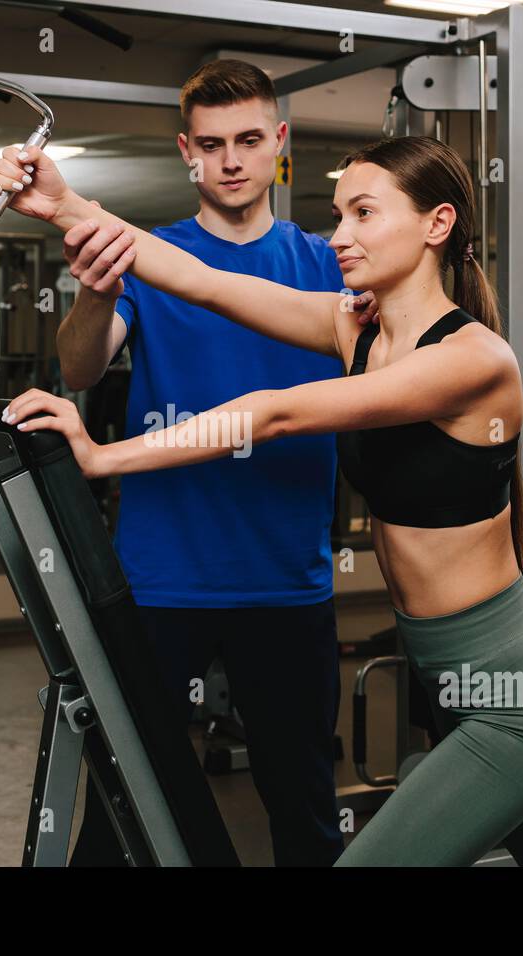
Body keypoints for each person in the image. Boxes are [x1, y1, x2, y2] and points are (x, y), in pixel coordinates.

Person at [0, 133, 523, 866]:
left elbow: (276, 412)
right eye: (339, 214)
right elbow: (201, 280)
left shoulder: (473, 358)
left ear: (437, 224)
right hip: (449, 676)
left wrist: (102, 455)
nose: (340, 235)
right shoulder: (355, 328)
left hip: (518, 693)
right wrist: (64, 206)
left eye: (365, 214)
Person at [44, 60, 378, 867]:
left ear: (280, 145)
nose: (231, 160)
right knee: (123, 809)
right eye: (212, 144)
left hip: (286, 580)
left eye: (249, 140)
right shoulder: (149, 257)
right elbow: (81, 370)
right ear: (186, 152)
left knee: (303, 807)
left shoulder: (325, 262)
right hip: (163, 579)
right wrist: (94, 291)